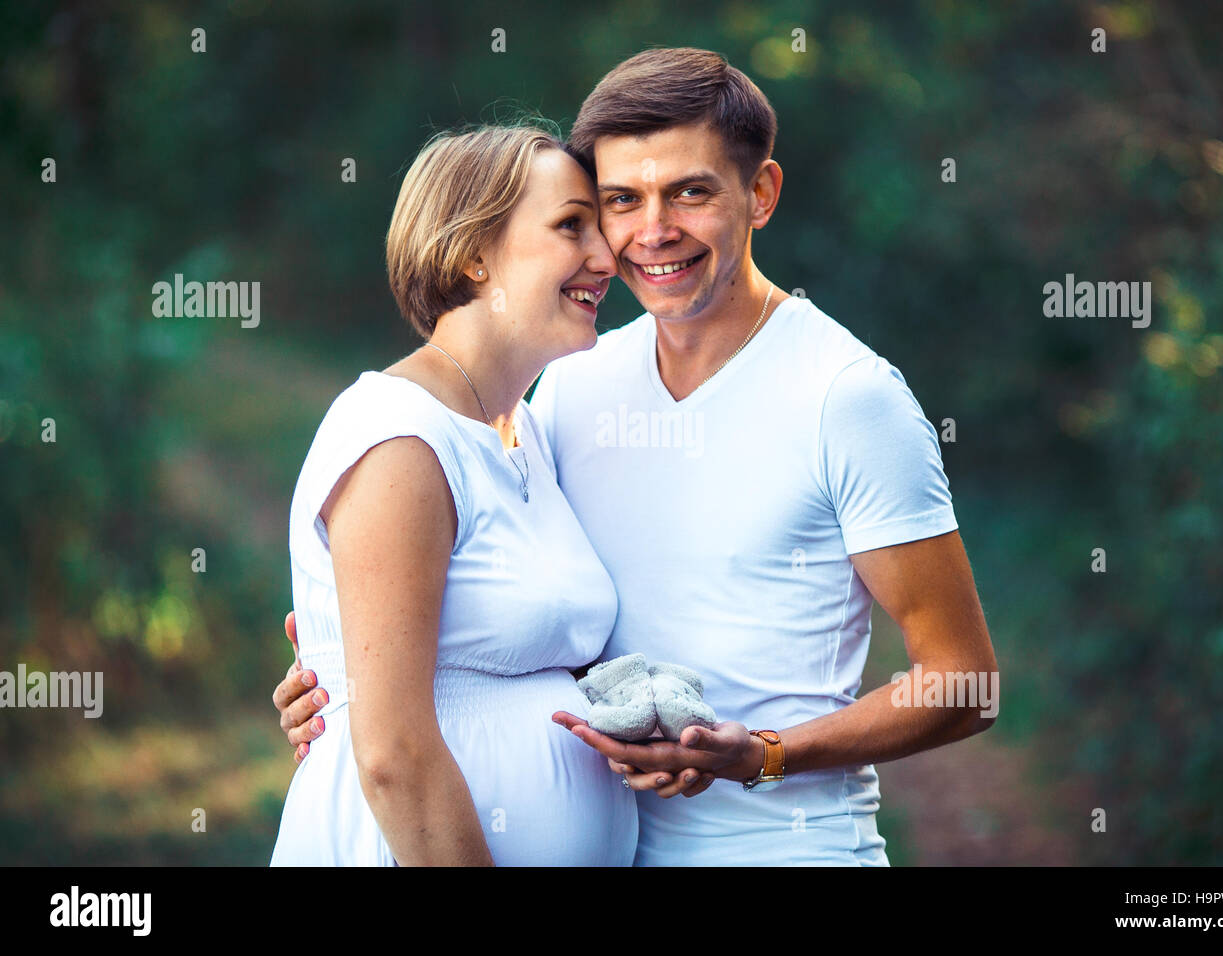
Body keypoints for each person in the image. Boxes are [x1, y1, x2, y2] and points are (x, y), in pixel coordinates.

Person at [277, 47, 998, 866]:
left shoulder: (847, 396)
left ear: (758, 194)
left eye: (690, 192)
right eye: (618, 201)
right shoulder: (572, 388)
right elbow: (520, 621)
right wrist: (345, 687)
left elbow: (965, 684)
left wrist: (766, 754)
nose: (651, 232)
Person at [269, 123, 638, 866]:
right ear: (473, 254)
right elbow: (394, 754)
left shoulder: (523, 430)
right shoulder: (398, 436)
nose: (607, 257)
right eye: (572, 226)